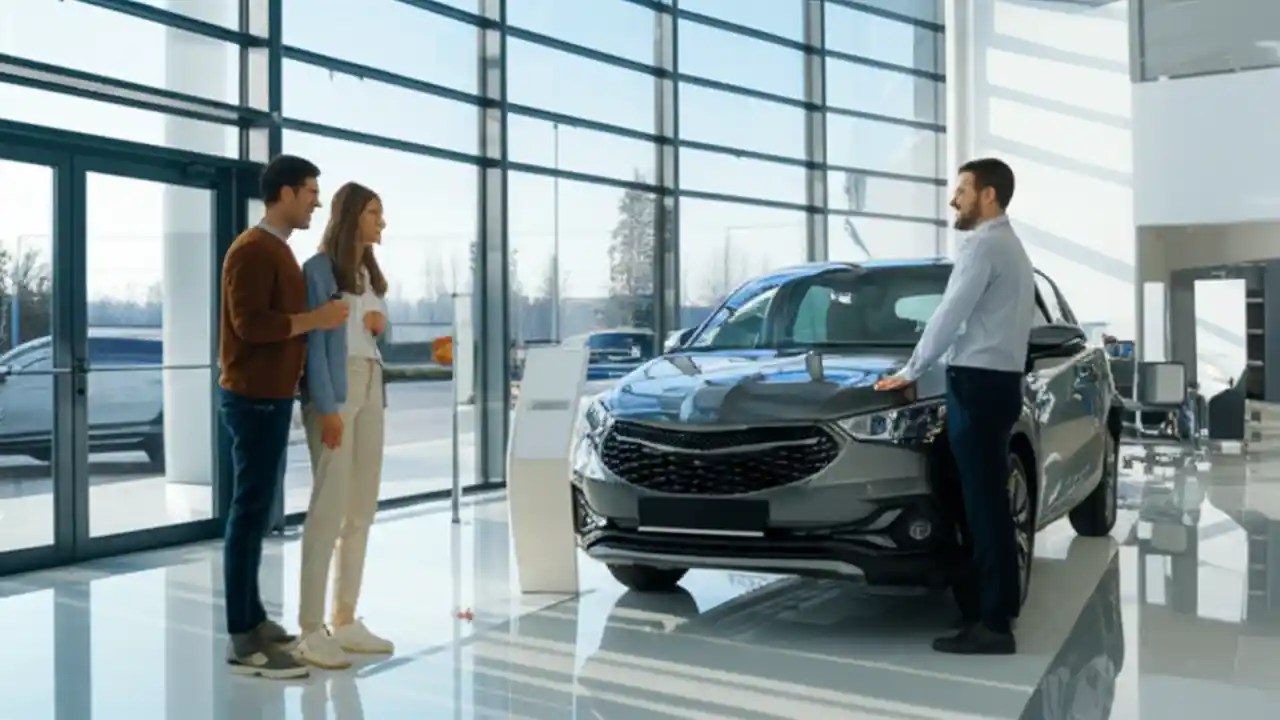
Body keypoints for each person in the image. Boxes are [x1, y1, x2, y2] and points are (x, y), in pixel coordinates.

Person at [874, 157, 1035, 656]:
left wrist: (911, 370)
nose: (954, 200)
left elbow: (948, 315)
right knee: (982, 502)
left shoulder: (983, 246)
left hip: (978, 385)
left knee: (984, 508)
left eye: (962, 190)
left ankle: (993, 623)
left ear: (988, 195)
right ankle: (985, 608)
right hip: (998, 383)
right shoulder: (1011, 247)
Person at [220, 155, 350, 679]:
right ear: (287, 193)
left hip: (269, 398)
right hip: (252, 398)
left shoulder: (278, 251)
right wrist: (314, 319)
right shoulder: (252, 251)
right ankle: (241, 639)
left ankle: (253, 618)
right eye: (312, 192)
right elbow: (250, 325)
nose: (317, 202)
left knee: (254, 512)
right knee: (247, 515)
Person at [292, 182, 394, 669]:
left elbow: (369, 332)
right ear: (351, 215)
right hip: (337, 390)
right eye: (375, 213)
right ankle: (311, 629)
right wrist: (327, 405)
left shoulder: (369, 274)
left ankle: (346, 618)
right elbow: (314, 342)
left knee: (361, 509)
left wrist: (378, 324)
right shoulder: (317, 270)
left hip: (372, 382)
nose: (382, 222)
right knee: (328, 509)